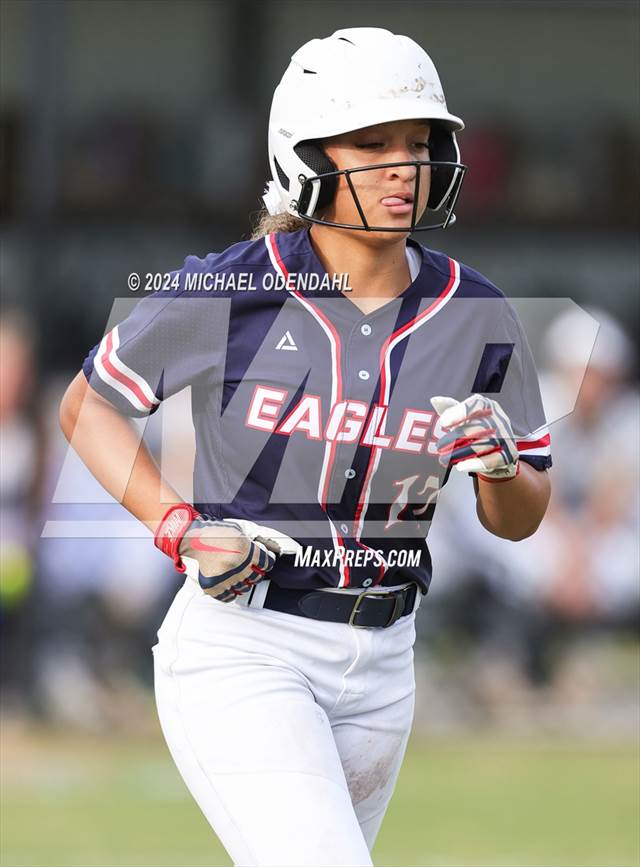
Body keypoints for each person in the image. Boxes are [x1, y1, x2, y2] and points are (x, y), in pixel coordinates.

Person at [59, 28, 552, 867]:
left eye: (417, 142)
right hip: (247, 642)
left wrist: (501, 467)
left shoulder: (478, 311)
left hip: (387, 660)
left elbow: (519, 516)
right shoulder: (233, 285)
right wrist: (179, 528)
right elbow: (89, 406)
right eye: (373, 144)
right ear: (305, 156)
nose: (404, 166)